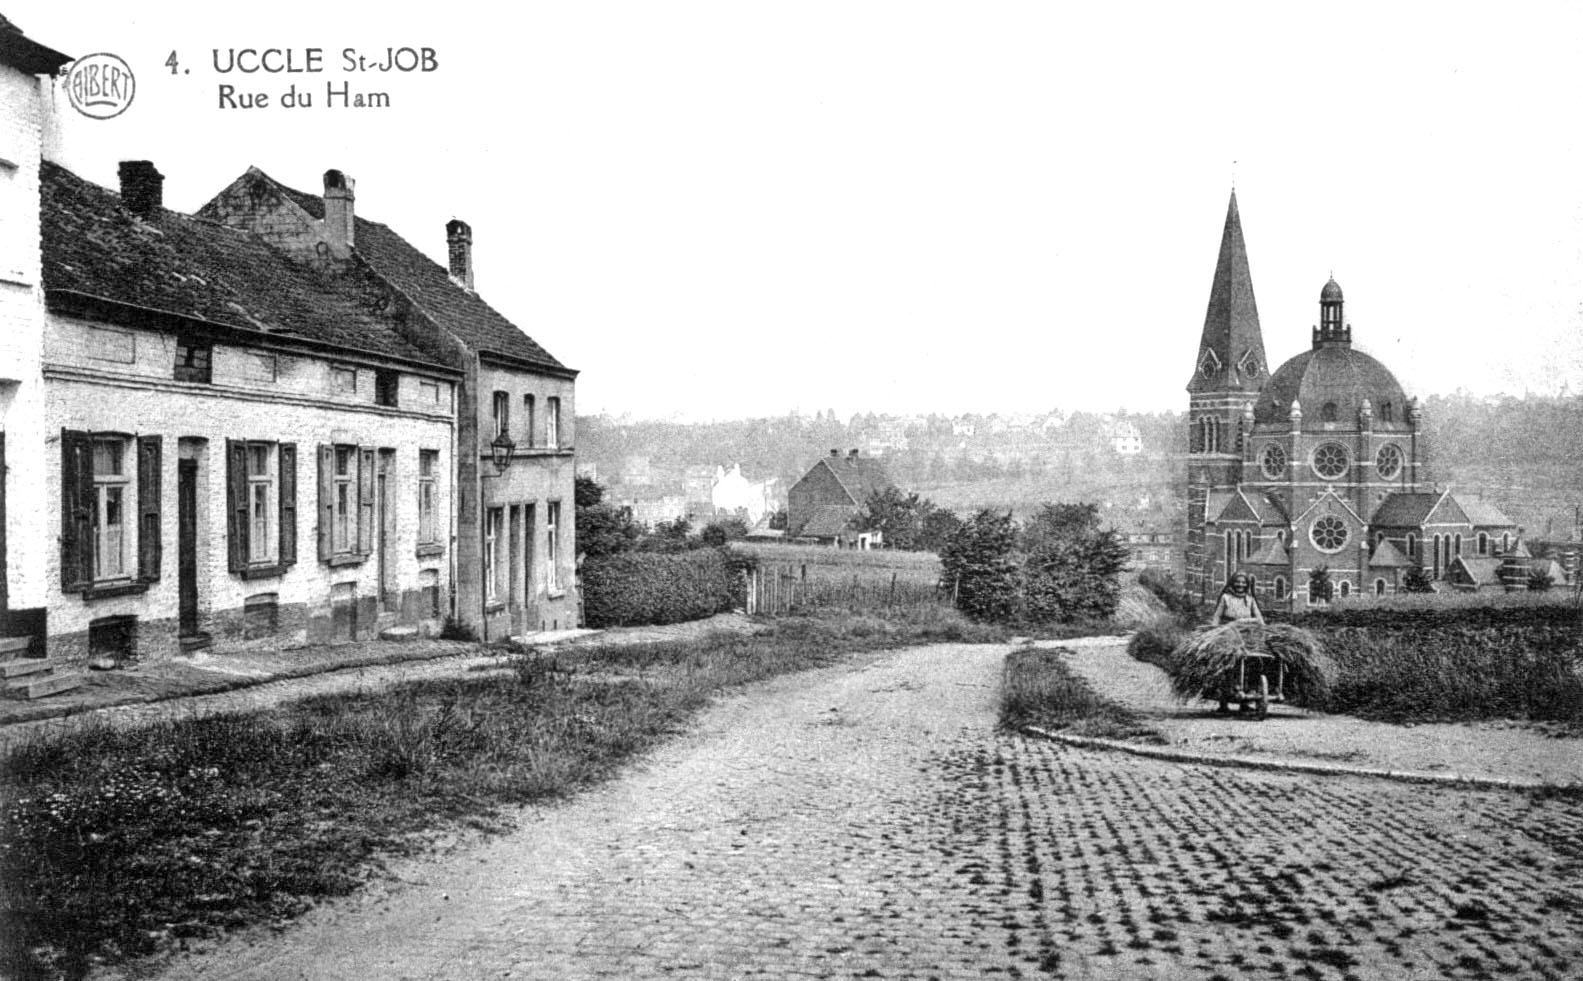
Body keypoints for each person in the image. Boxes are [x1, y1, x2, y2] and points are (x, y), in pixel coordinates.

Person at [1210, 571, 1263, 713]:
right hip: (1229, 633)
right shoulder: (1226, 598)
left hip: (1247, 634)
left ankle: (1247, 699)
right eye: (1237, 582)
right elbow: (1217, 617)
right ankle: (1224, 700)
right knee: (1230, 662)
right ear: (1232, 583)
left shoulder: (1250, 599)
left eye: (1243, 582)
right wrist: (1214, 632)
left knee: (1254, 659)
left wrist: (1259, 627)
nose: (1240, 585)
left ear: (1247, 585)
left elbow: (1259, 618)